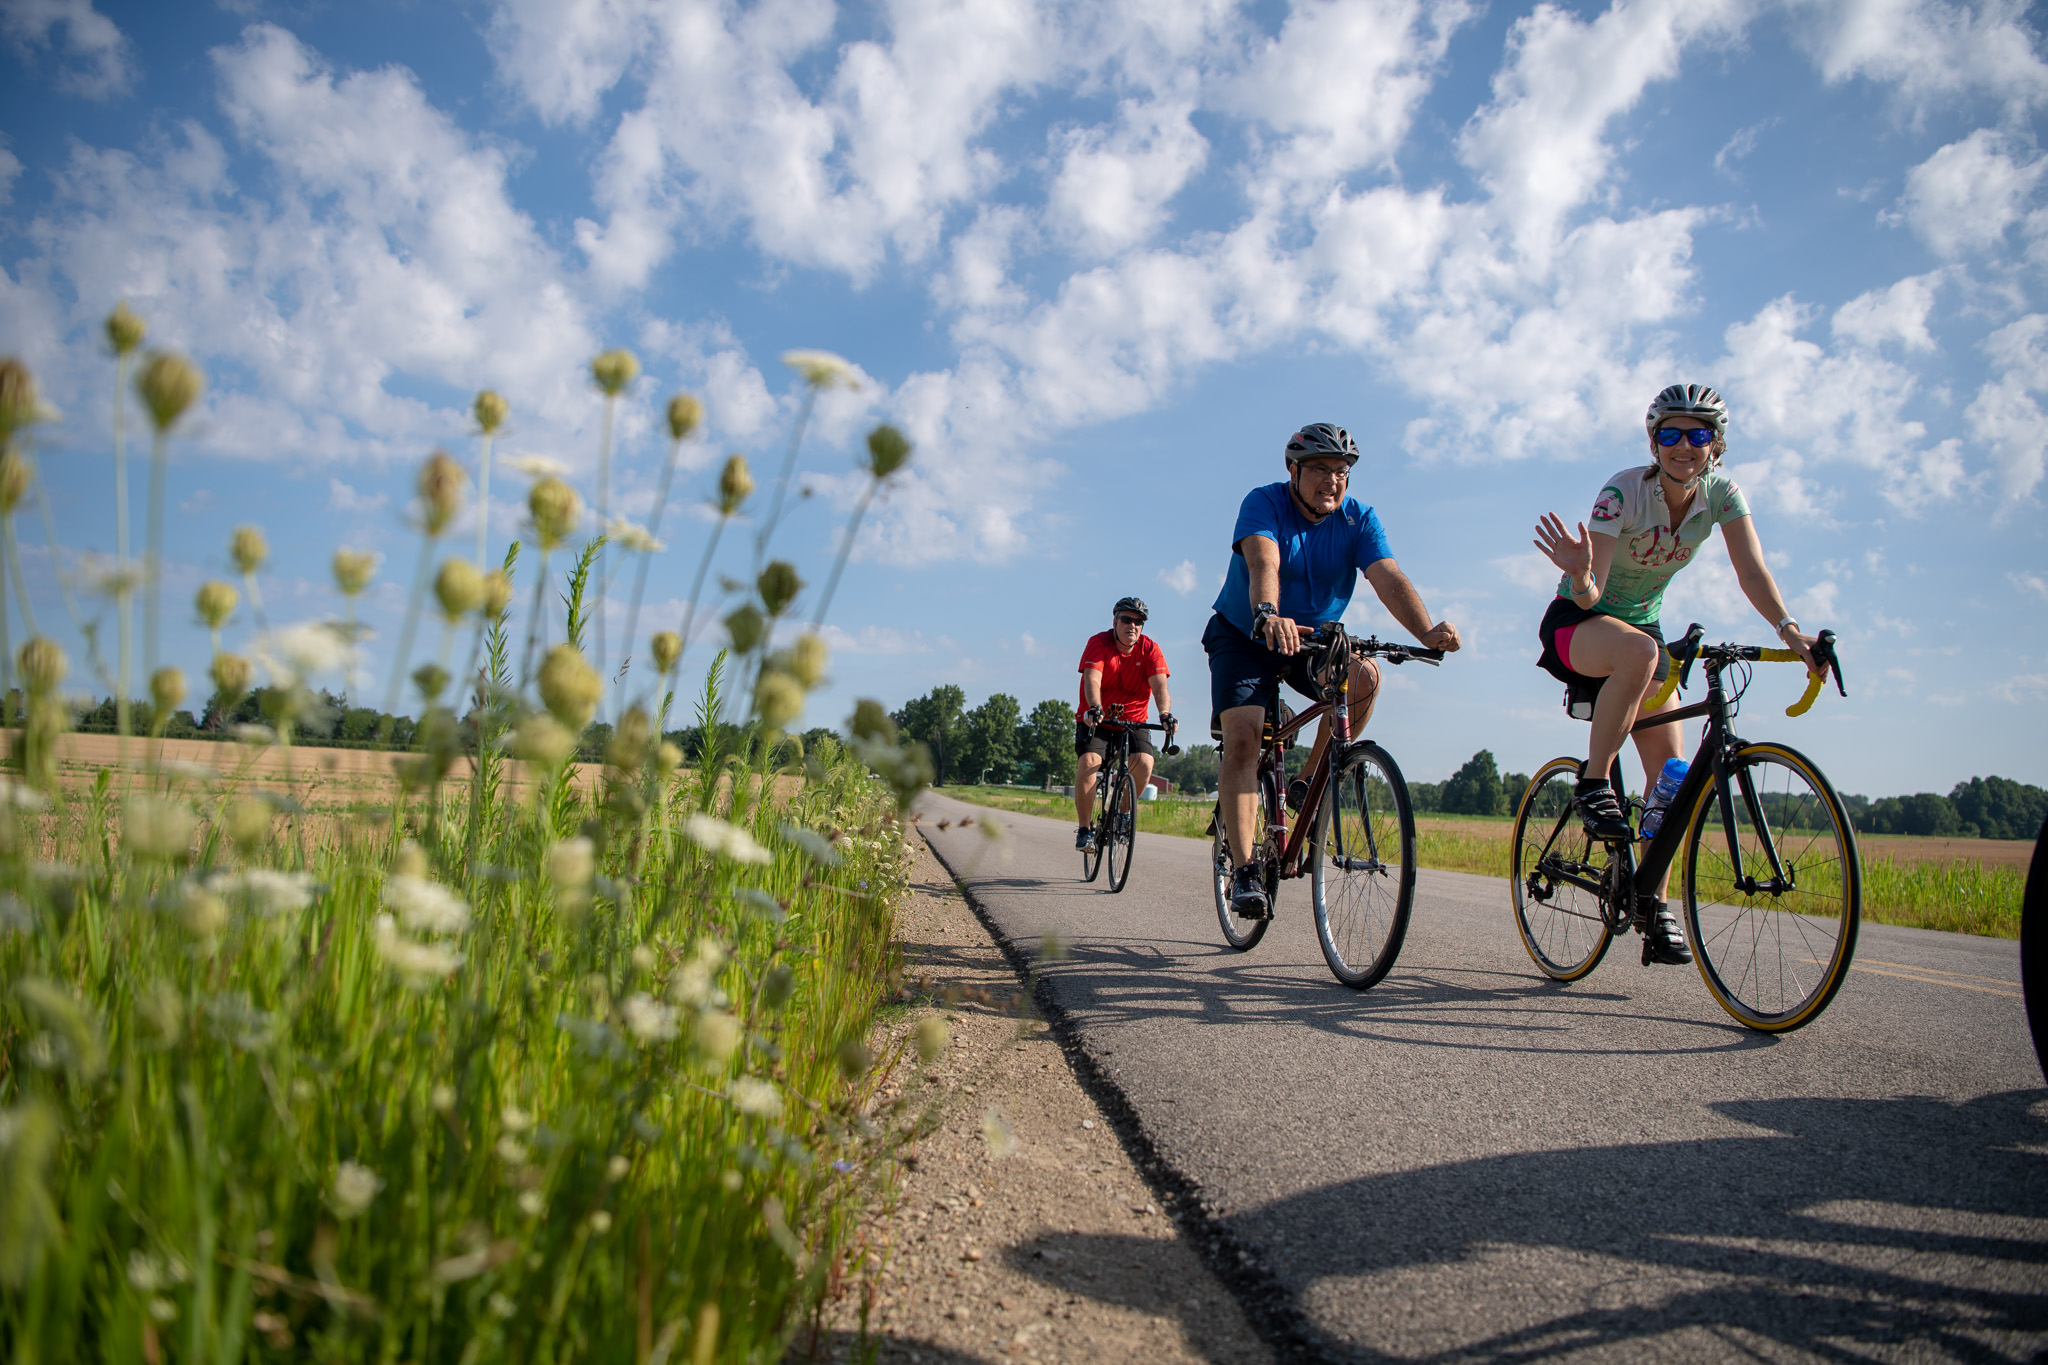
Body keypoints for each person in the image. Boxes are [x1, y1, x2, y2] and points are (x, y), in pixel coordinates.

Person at [1532, 383, 1819, 965]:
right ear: (1653, 440)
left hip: (1644, 634)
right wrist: (1581, 573)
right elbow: (1591, 595)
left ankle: (1652, 904)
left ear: (1717, 444)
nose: (1684, 445)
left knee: (1673, 776)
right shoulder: (1624, 493)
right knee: (1638, 651)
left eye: (1698, 434)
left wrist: (1793, 633)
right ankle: (1593, 784)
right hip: (1581, 620)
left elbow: (1751, 571)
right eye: (1670, 433)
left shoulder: (1722, 495)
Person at [1206, 424, 1461, 918]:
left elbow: (1387, 576)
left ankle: (1307, 781)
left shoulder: (1358, 519)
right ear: (1294, 470)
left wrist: (1426, 631)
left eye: (1341, 472)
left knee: (1364, 678)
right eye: (1320, 469)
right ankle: (1243, 873)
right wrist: (1267, 612)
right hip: (1246, 632)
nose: (1332, 481)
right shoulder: (1264, 502)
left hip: (1314, 638)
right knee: (1244, 739)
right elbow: (1265, 561)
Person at [1073, 596, 1173, 851]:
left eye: (1139, 622)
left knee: (1145, 762)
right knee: (1090, 762)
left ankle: (1123, 814)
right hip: (1098, 720)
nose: (1133, 626)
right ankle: (1084, 830)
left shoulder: (1150, 649)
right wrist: (1095, 707)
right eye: (1127, 620)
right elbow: (1092, 679)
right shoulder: (1099, 643)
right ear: (1115, 621)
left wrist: (1164, 713)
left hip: (1132, 722)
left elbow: (1160, 685)